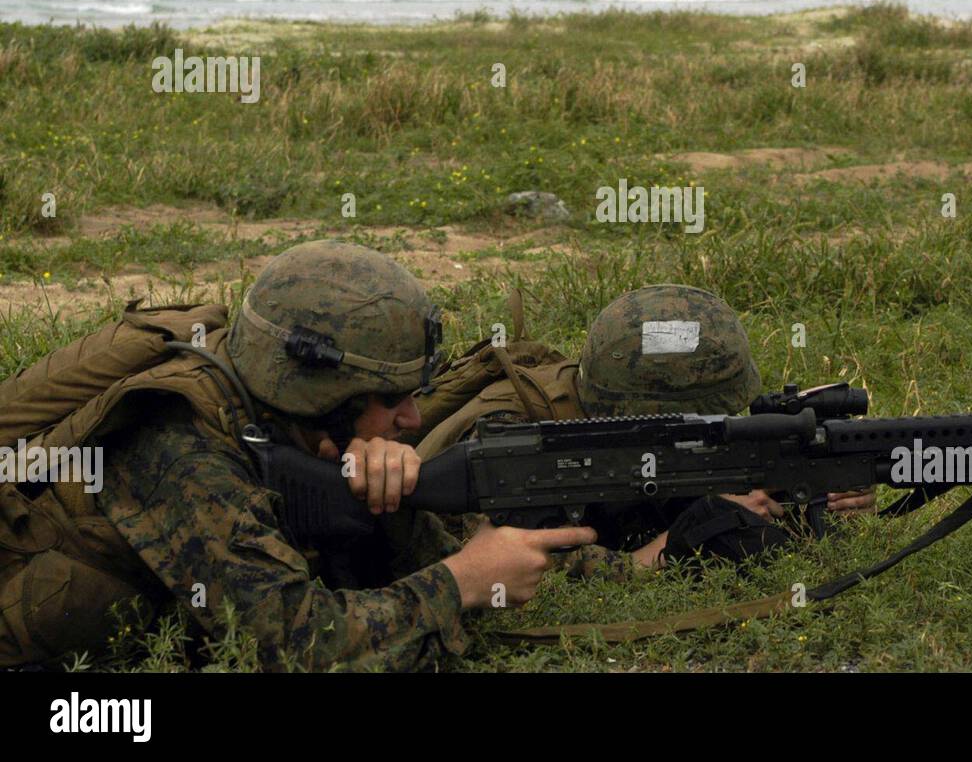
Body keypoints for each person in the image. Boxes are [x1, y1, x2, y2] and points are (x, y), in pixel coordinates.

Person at [0, 240, 593, 671]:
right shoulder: (178, 445)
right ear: (320, 395)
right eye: (389, 399)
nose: (412, 419)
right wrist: (461, 581)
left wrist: (390, 504)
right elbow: (293, 646)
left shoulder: (264, 406)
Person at [414, 284, 876, 566]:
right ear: (644, 414)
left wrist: (811, 489)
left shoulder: (624, 416)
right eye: (700, 420)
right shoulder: (515, 436)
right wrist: (645, 559)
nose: (716, 426)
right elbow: (471, 552)